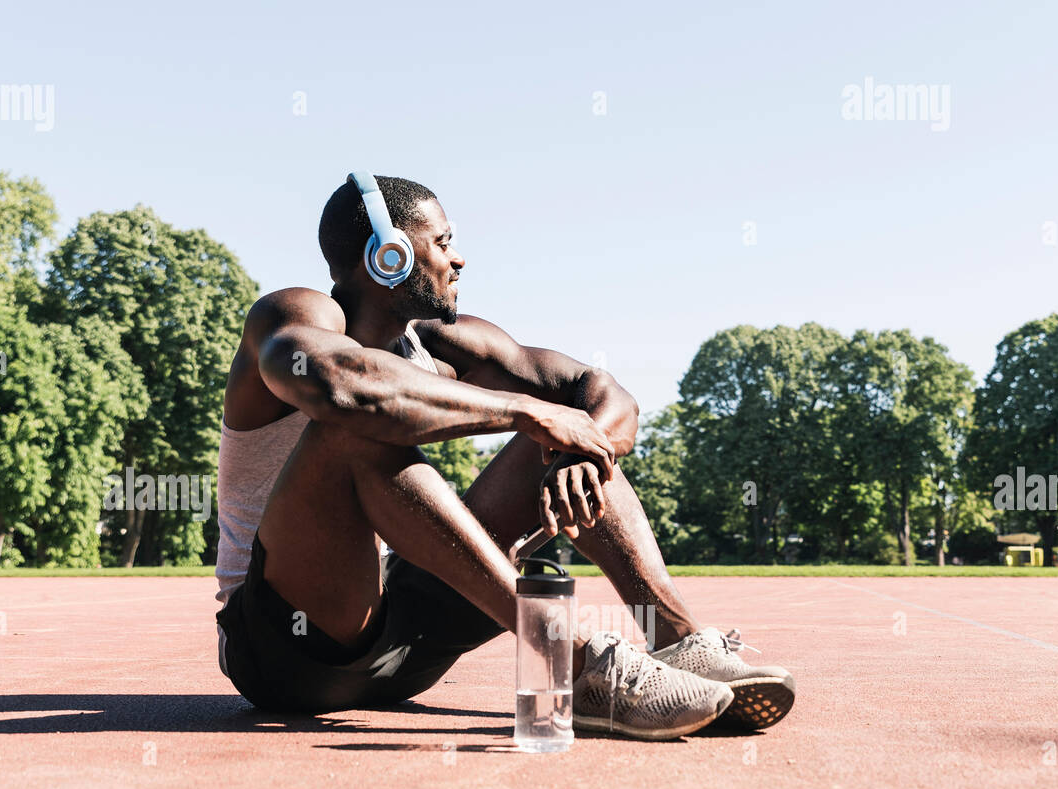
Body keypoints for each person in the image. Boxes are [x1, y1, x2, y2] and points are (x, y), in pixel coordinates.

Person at [214, 173, 795, 739]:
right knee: (354, 431)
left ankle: (678, 642)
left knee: (579, 434)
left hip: (404, 647)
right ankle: (570, 661)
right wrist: (526, 411)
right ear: (387, 257)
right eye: (442, 243)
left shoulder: (446, 341)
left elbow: (606, 393)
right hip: (288, 650)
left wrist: (578, 451)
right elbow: (341, 385)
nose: (459, 258)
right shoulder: (294, 314)